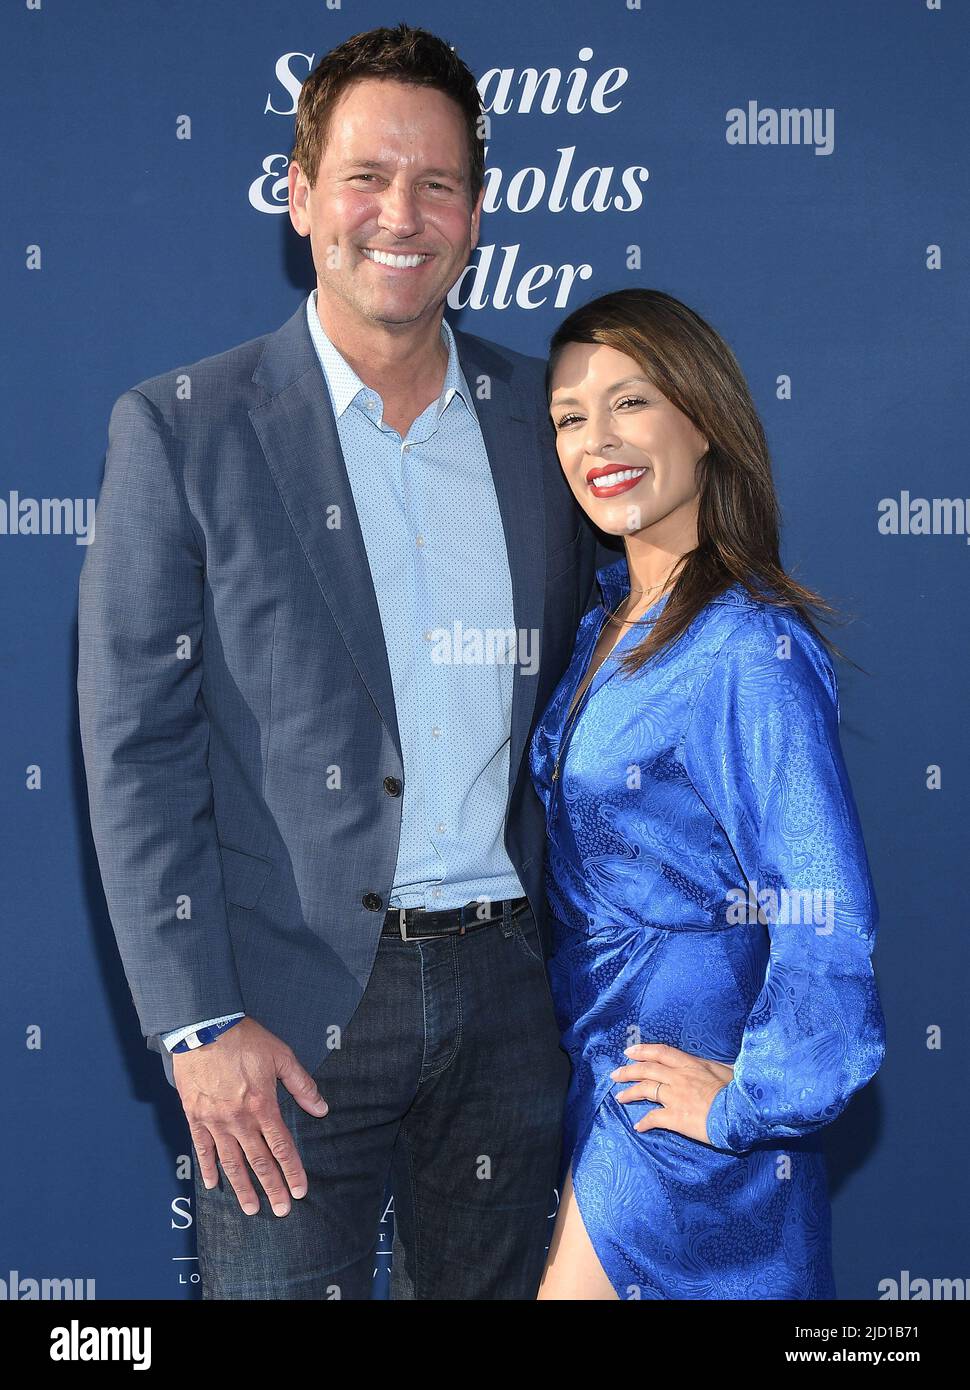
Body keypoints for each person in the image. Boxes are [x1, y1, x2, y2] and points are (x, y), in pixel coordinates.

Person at [77, 24, 612, 1300]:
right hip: (284, 1013)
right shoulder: (179, 429)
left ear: (477, 216)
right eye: (367, 176)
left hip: (505, 997)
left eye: (438, 184)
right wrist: (195, 1023)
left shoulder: (550, 425)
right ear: (301, 193)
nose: (401, 214)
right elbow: (134, 745)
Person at [529, 287, 886, 1299]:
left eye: (629, 401)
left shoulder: (745, 646)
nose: (594, 438)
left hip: (680, 1113)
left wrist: (747, 1102)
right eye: (567, 416)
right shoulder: (605, 622)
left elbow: (824, 908)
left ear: (703, 419)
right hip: (602, 1077)